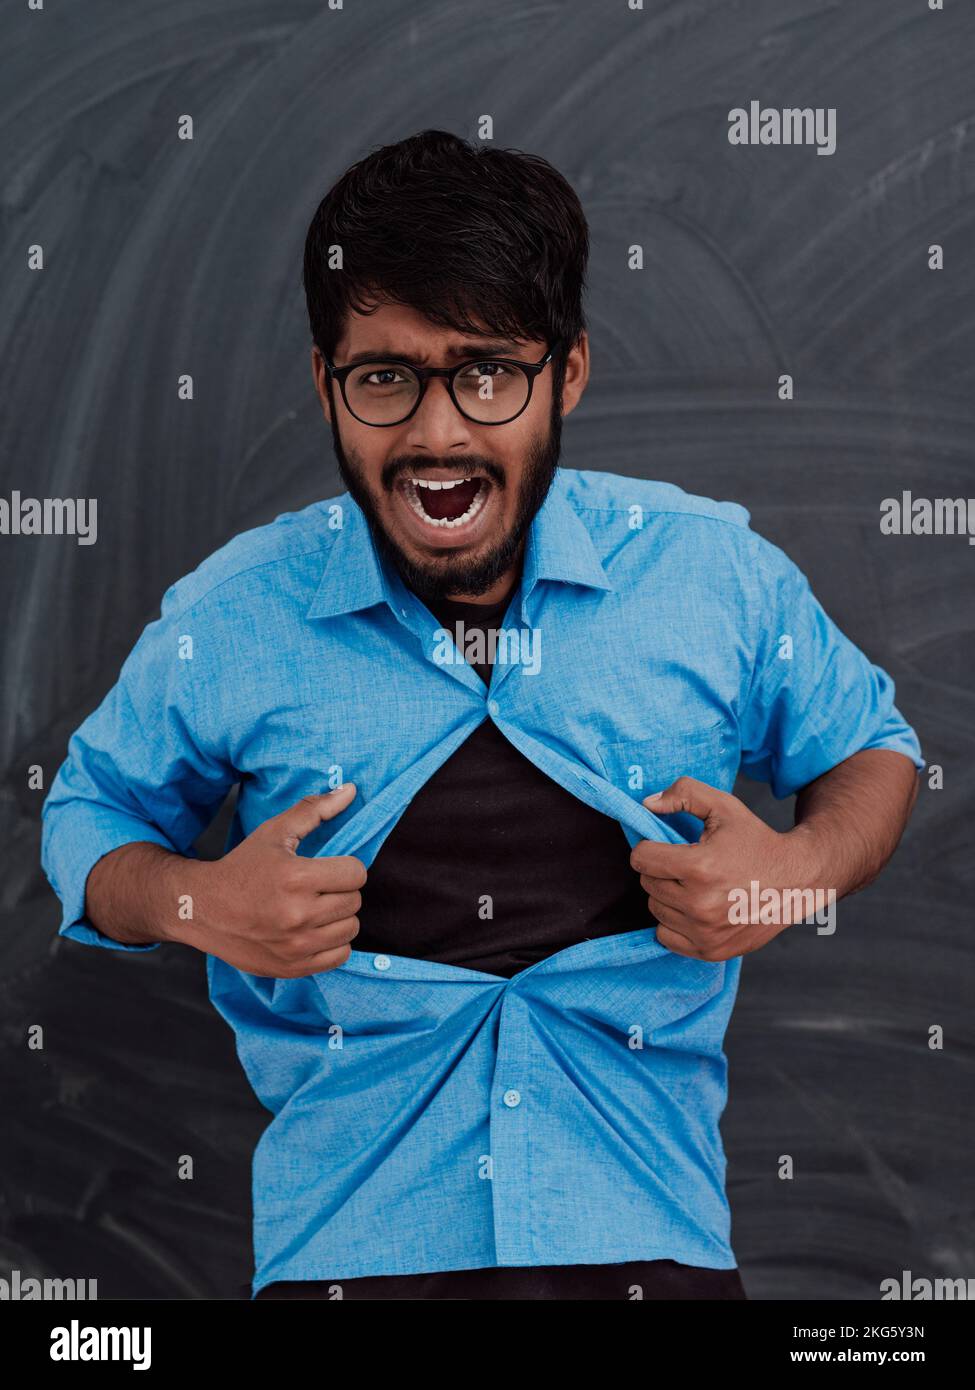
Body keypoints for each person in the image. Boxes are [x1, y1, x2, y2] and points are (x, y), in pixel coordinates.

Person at [41, 130, 923, 1301]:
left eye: (488, 371)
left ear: (566, 374)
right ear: (326, 384)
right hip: (344, 1259)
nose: (438, 432)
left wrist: (791, 875)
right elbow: (86, 812)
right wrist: (198, 900)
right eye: (386, 376)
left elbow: (874, 748)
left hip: (650, 1243)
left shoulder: (712, 577)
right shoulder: (234, 616)